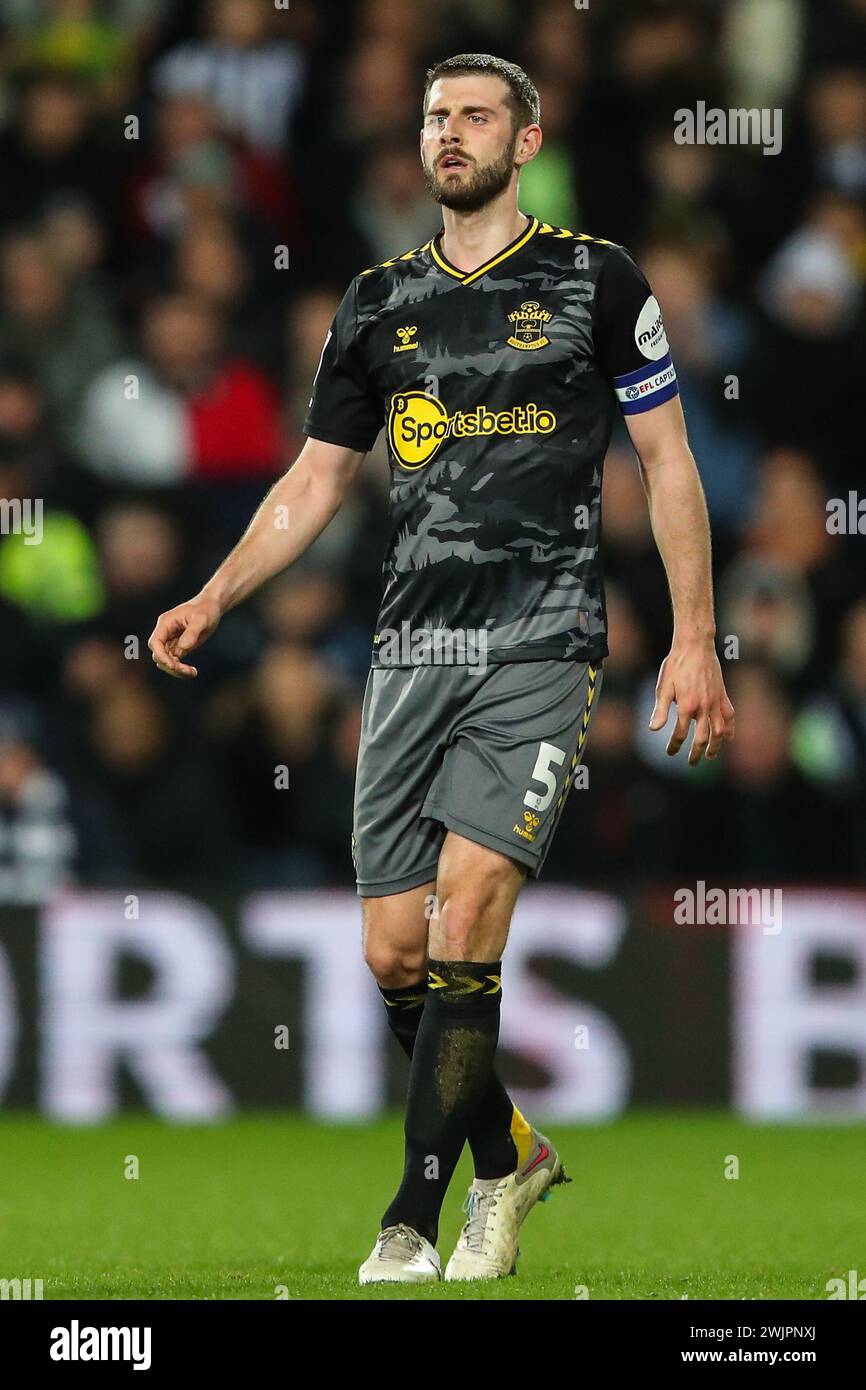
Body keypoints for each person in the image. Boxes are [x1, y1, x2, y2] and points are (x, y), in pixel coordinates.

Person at [148, 53, 735, 1285]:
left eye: (474, 116)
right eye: (433, 117)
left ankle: (413, 1218)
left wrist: (691, 637)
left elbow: (666, 463)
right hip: (411, 650)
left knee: (466, 918)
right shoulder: (373, 303)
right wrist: (212, 590)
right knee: (390, 954)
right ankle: (511, 1149)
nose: (448, 133)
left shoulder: (594, 277)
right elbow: (315, 480)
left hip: (540, 639)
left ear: (526, 142)